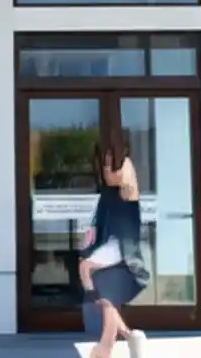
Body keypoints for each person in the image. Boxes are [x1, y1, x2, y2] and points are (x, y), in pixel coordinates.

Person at [78, 144, 150, 358]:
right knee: (107, 298)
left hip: (122, 251)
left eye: (112, 165)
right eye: (104, 165)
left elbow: (125, 174)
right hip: (110, 248)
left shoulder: (129, 193)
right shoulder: (108, 195)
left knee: (94, 280)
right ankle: (130, 337)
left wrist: (121, 159)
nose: (108, 170)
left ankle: (105, 347)